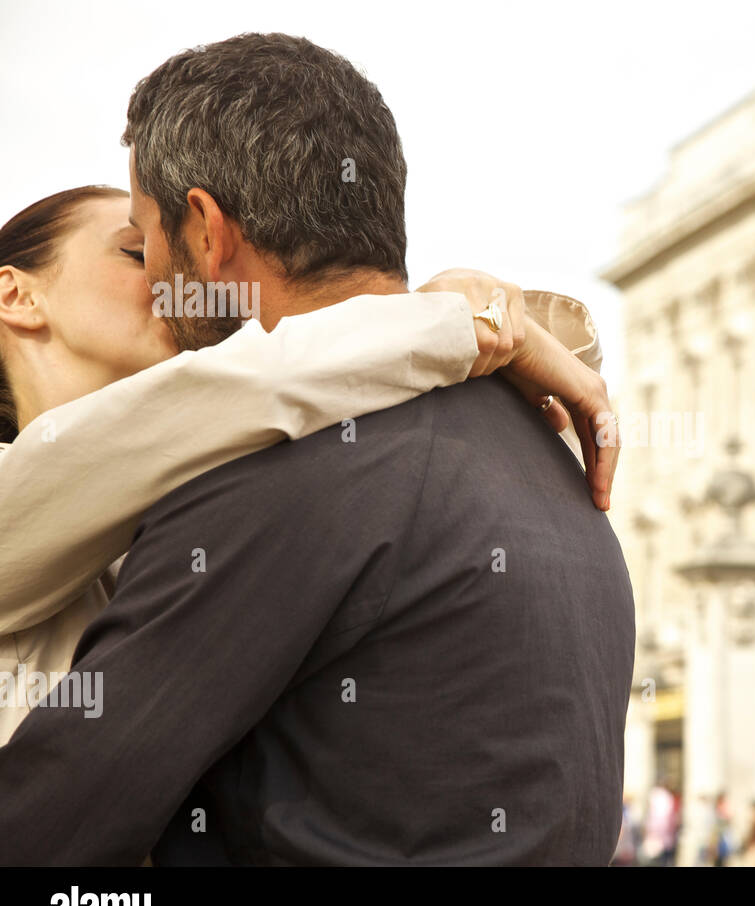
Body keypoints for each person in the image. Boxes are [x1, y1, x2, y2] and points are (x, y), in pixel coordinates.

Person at [0, 33, 635, 865]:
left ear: (207, 230)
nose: (154, 270)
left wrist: (472, 323)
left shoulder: (270, 478)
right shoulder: (541, 459)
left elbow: (49, 829)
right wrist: (463, 322)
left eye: (143, 237)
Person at [0, 189, 613, 747]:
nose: (170, 273)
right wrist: (457, 320)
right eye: (137, 252)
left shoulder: (201, 480)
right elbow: (264, 380)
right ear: (15, 295)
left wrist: (481, 320)